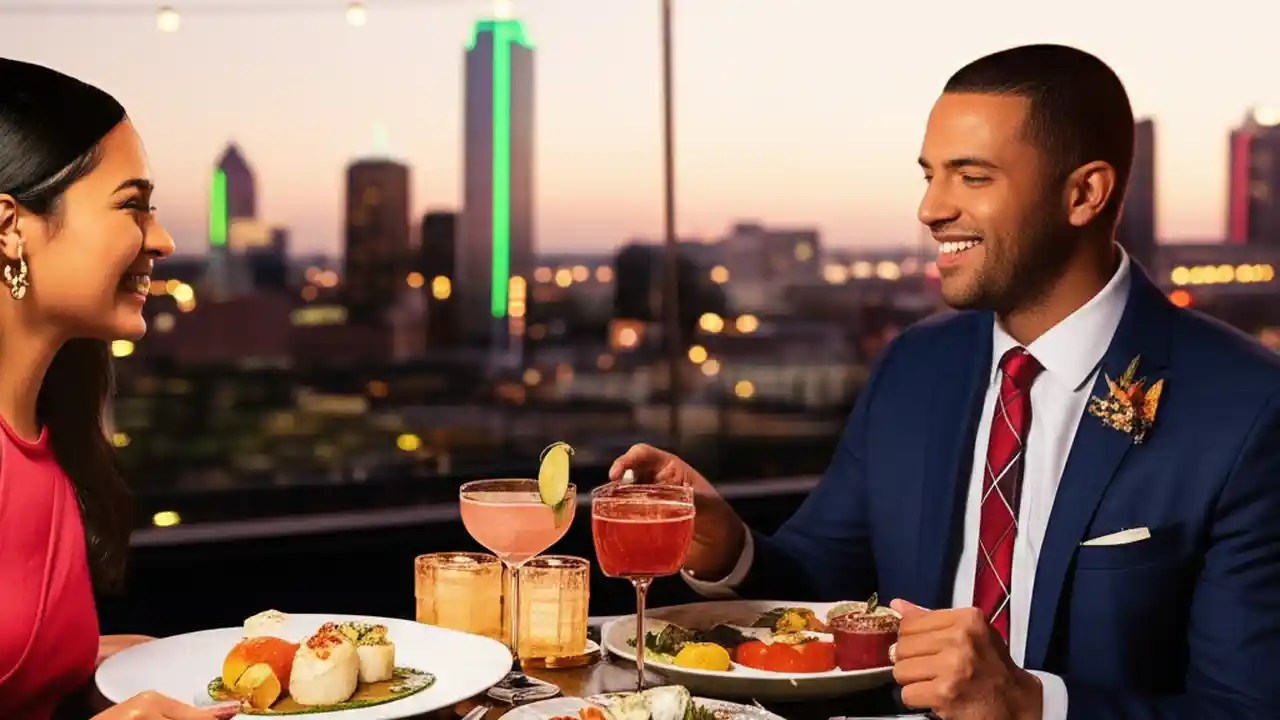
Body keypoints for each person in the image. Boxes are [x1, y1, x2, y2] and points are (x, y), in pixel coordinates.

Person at [612, 44, 1280, 720]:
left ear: (1084, 194)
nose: (931, 208)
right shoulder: (916, 366)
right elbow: (823, 583)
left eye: (972, 177)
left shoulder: (1246, 407)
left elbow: (1247, 708)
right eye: (931, 175)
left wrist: (1029, 704)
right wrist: (731, 548)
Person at [0, 58, 235, 720]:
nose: (159, 238)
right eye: (132, 204)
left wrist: (116, 663)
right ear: (11, 227)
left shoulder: (52, 439)